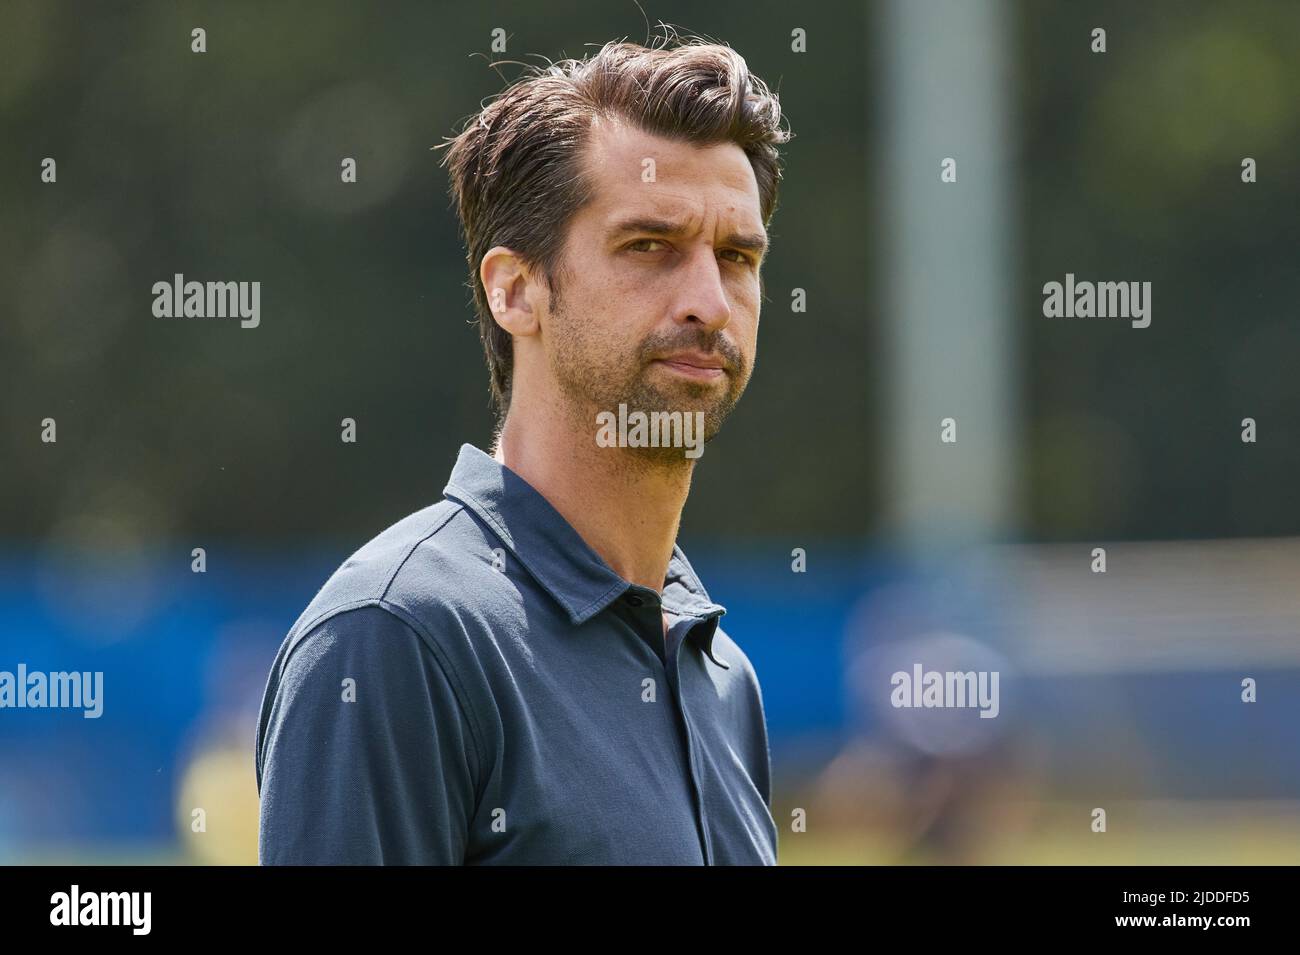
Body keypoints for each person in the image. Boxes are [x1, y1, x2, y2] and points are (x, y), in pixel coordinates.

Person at [255, 32, 789, 864]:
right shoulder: (397, 635)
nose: (710, 302)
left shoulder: (723, 672)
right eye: (649, 245)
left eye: (736, 256)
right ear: (514, 289)